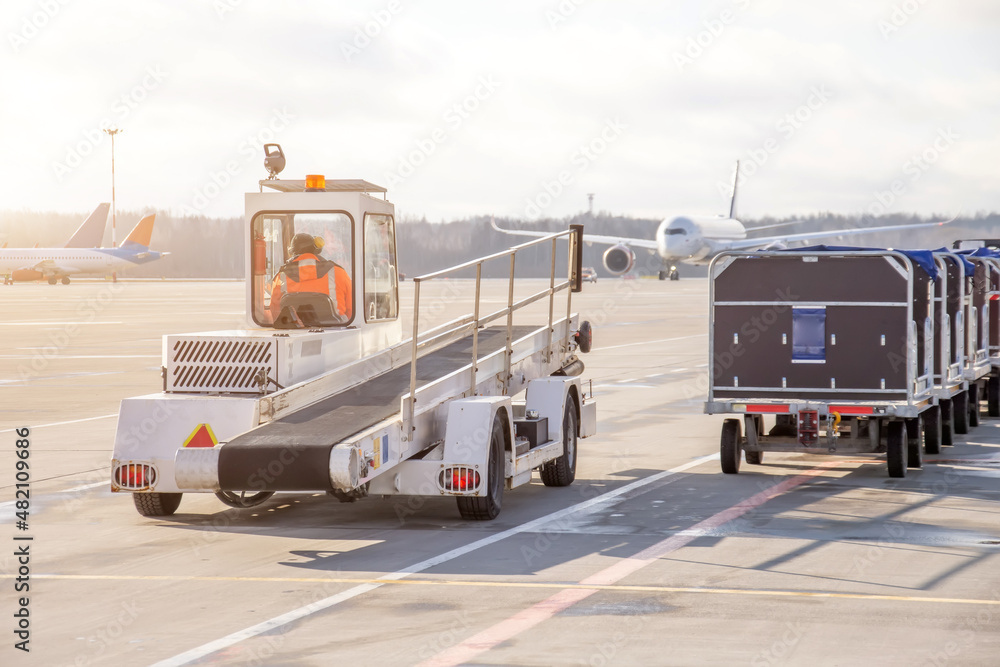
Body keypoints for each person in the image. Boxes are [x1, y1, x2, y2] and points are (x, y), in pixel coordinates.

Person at [269, 233, 352, 324]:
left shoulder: (281, 276)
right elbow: (352, 308)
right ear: (316, 250)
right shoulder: (338, 272)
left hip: (294, 334)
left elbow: (275, 312)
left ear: (292, 252)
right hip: (337, 333)